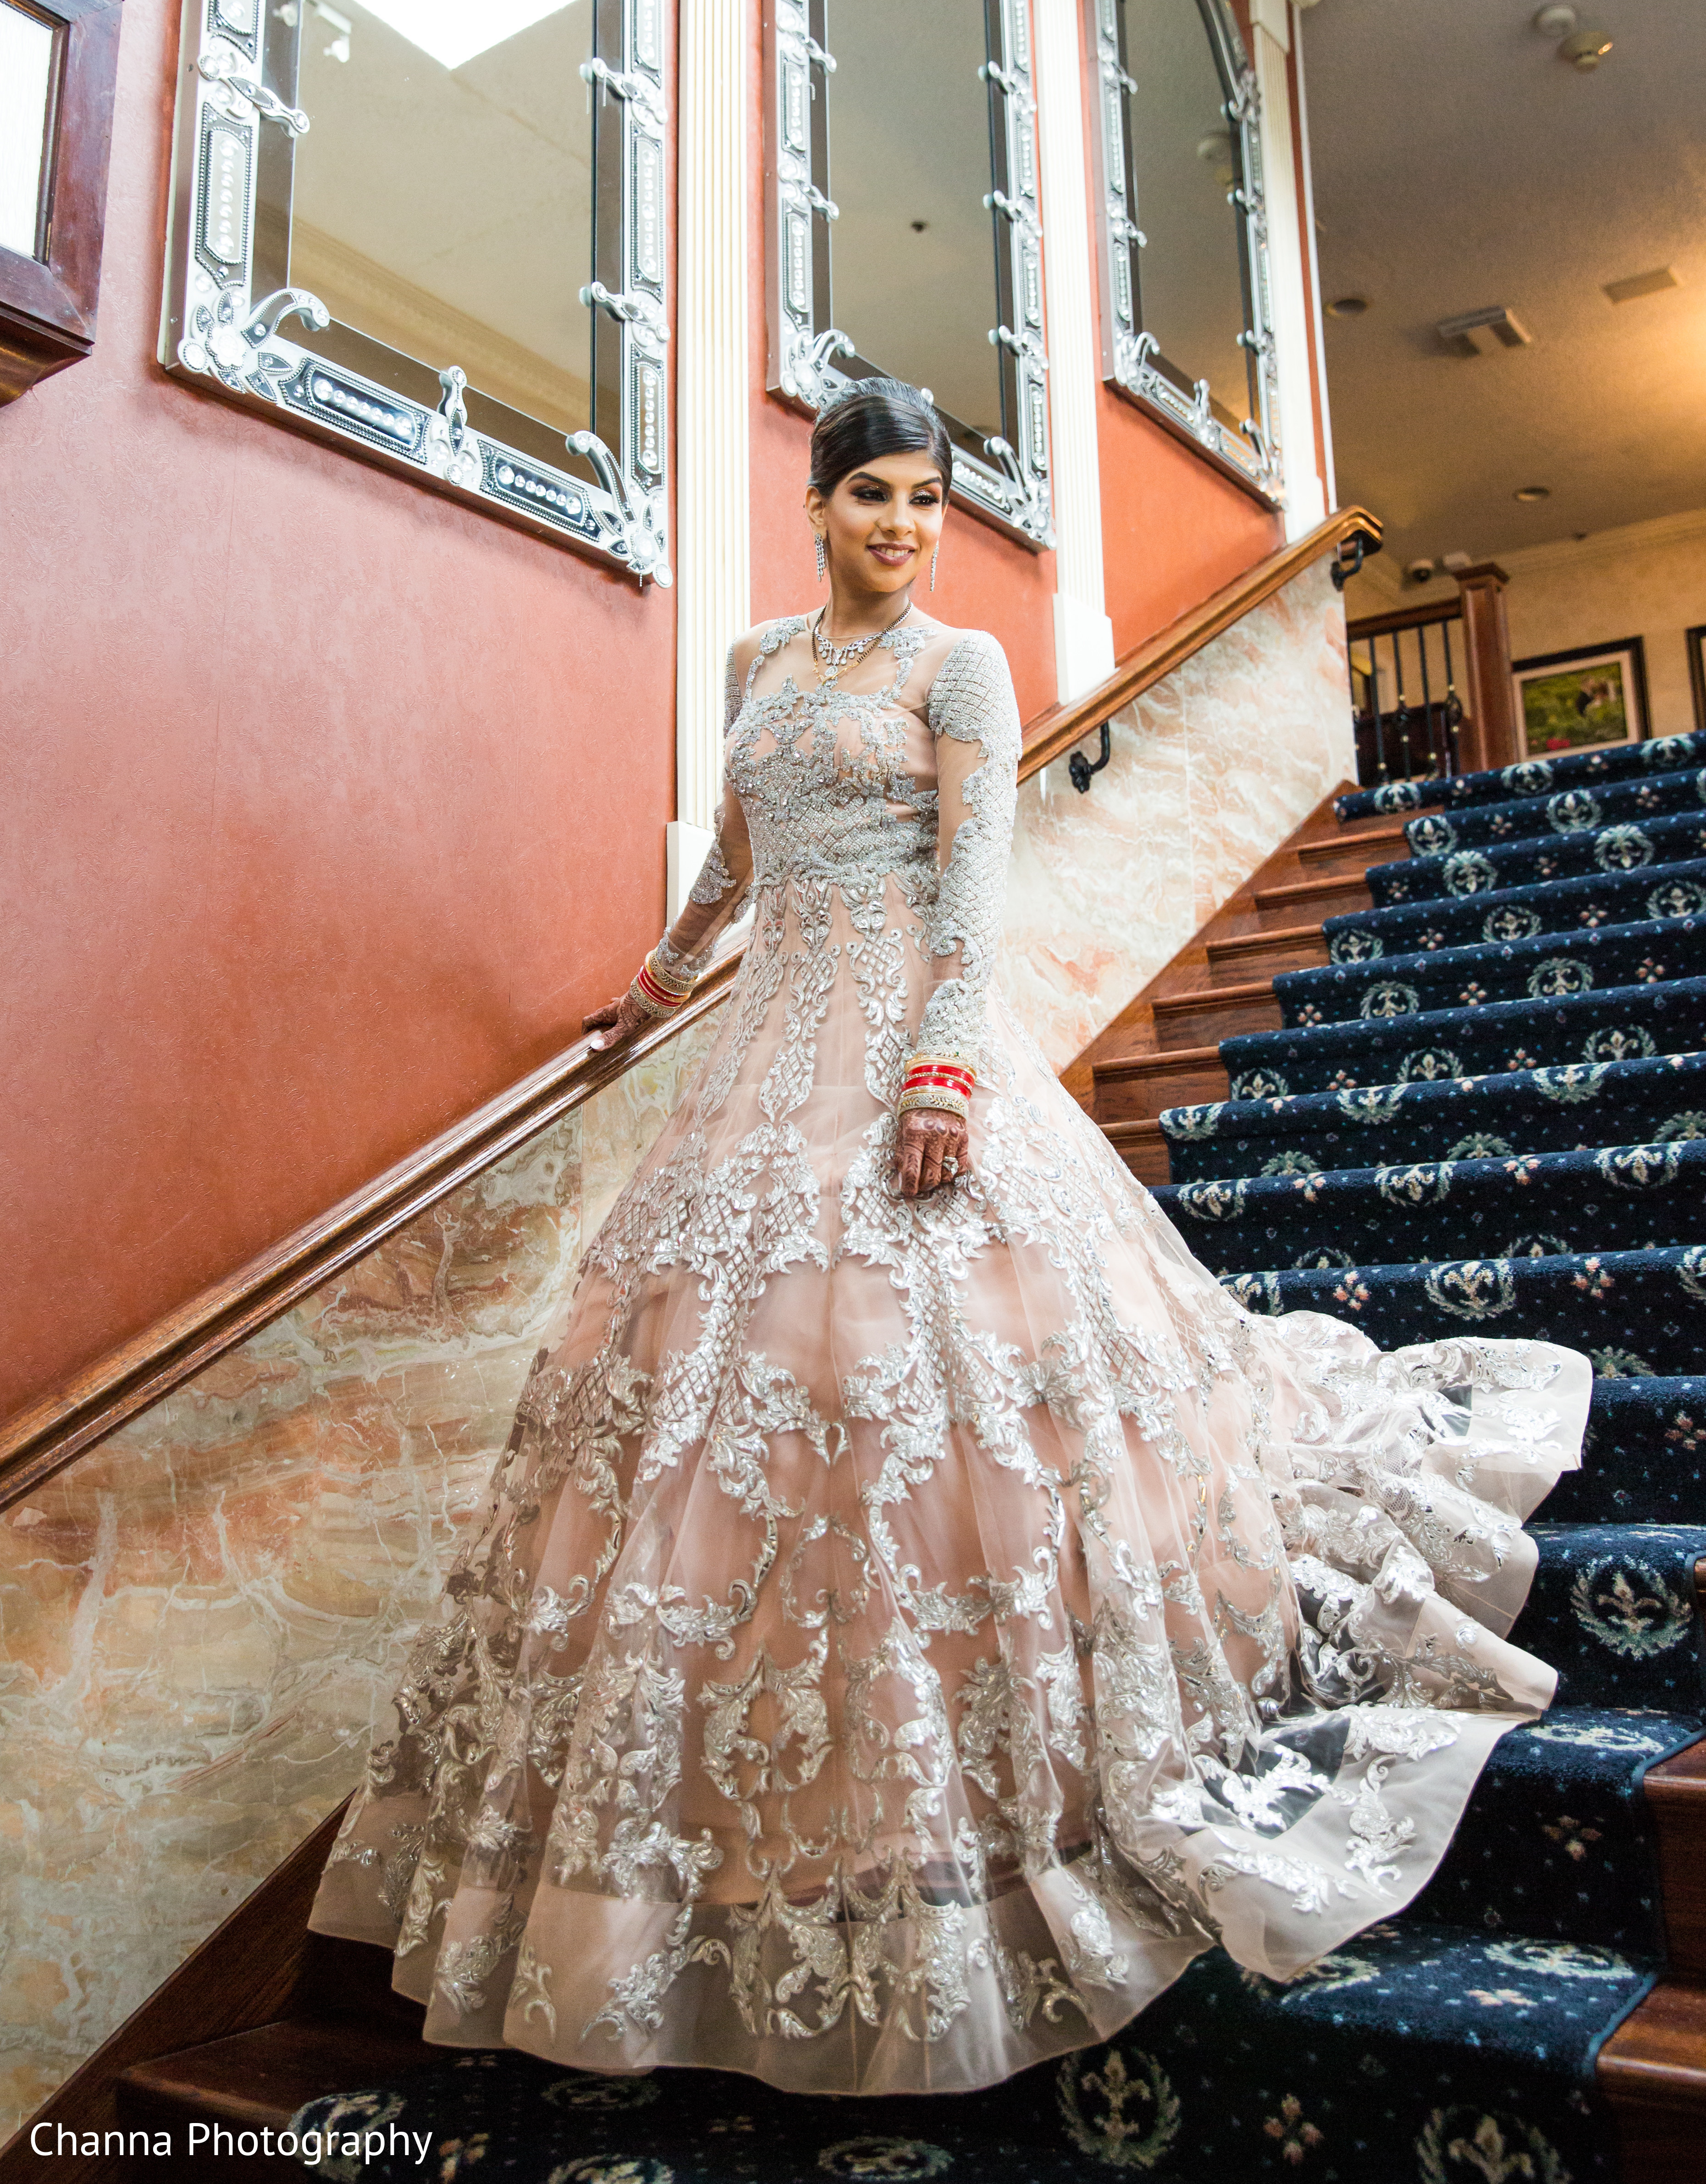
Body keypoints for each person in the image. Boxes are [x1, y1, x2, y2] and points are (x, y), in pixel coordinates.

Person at [310, 376, 1589, 2096]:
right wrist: (650, 991)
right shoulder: (756, 663)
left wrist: (938, 1072)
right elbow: (736, 862)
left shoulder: (960, 665)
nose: (905, 529)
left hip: (913, 1049)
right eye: (874, 500)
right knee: (731, 1404)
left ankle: (1009, 1787)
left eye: (925, 502)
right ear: (818, 506)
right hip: (761, 1055)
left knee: (930, 1390)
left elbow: (975, 878)